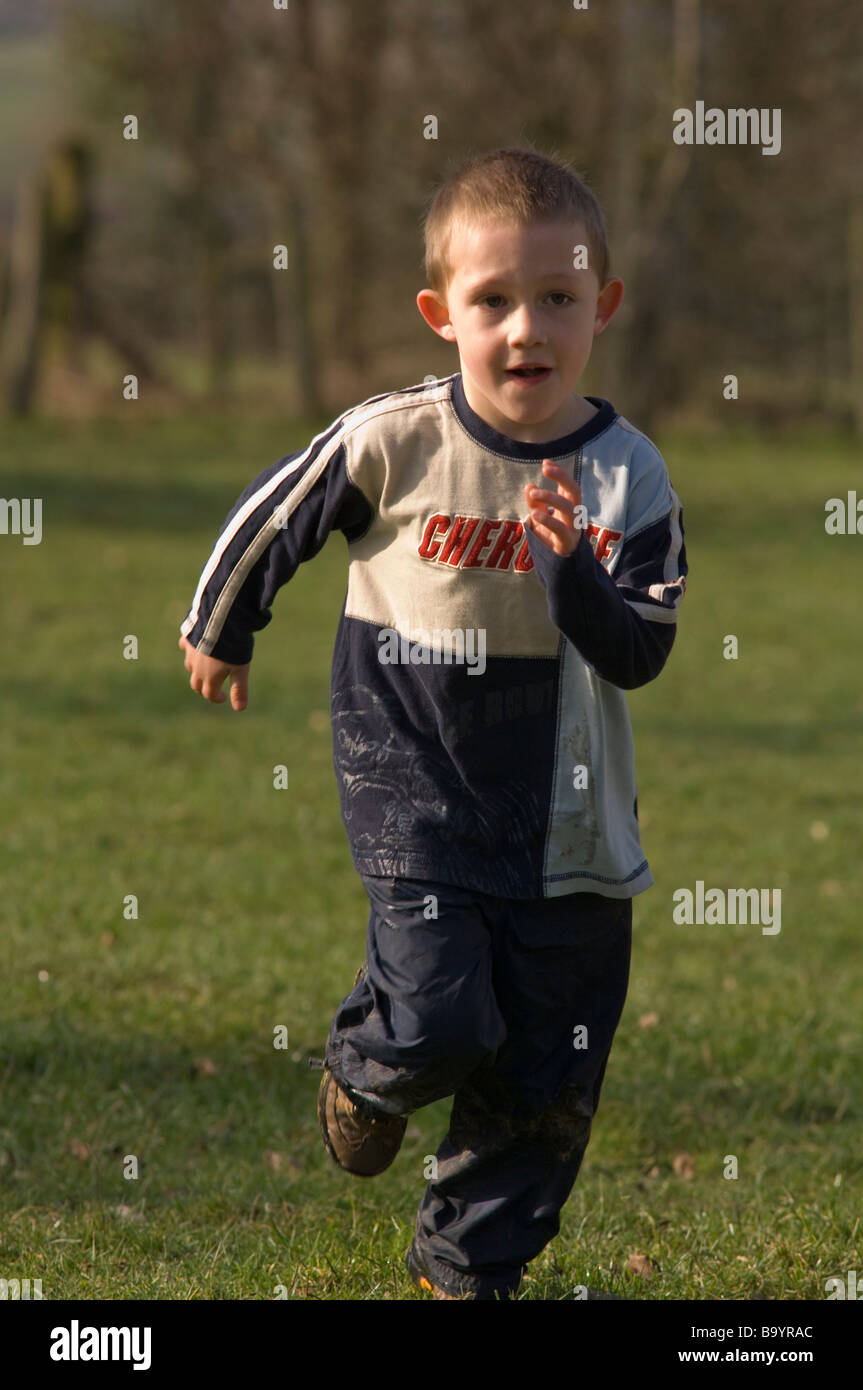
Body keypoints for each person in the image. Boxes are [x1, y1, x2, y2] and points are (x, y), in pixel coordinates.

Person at [179, 147, 688, 1301]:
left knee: (547, 1070)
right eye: (492, 300)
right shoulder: (396, 438)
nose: (525, 328)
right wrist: (221, 620)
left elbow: (641, 650)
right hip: (417, 788)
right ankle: (368, 1069)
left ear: (600, 307)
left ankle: (464, 1269)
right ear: (439, 314)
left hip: (573, 828)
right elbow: (280, 512)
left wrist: (573, 576)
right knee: (439, 1013)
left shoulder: (629, 478)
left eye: (556, 298)